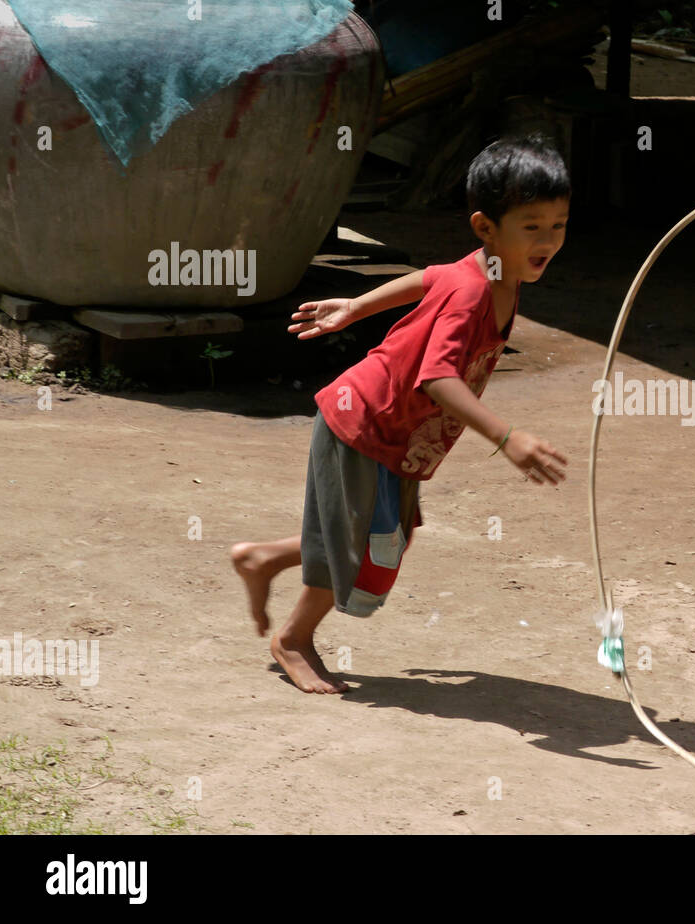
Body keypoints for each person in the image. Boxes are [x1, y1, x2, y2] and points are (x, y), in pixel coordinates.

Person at [230, 133, 570, 694]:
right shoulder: (475, 292)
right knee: (357, 546)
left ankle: (264, 558)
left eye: (557, 225)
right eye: (531, 227)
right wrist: (505, 436)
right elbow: (437, 376)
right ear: (487, 228)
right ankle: (293, 639)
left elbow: (428, 275)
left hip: (395, 436)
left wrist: (357, 305)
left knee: (384, 536)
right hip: (362, 423)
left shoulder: (492, 271)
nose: (548, 241)